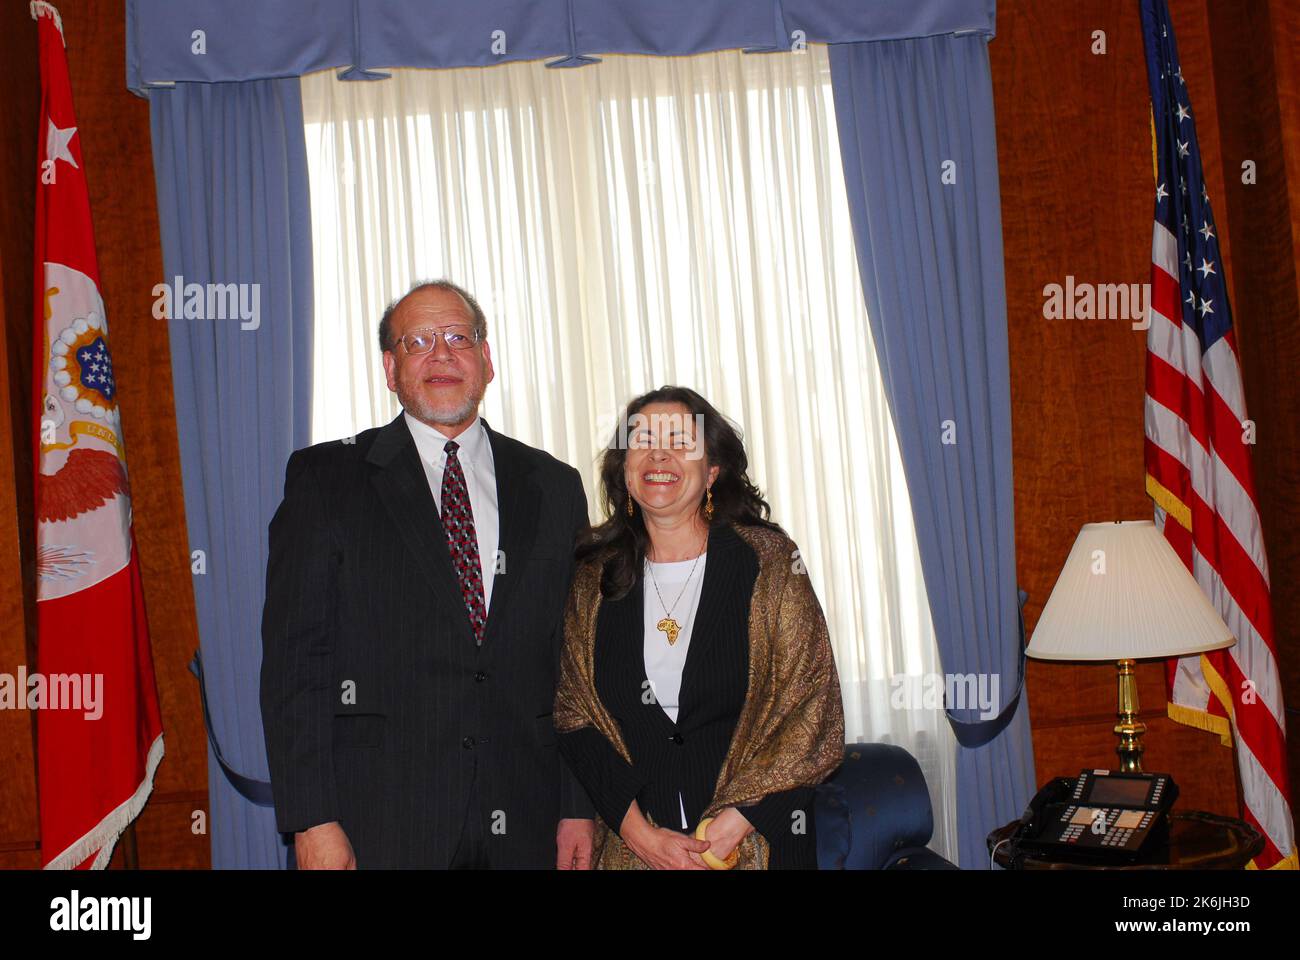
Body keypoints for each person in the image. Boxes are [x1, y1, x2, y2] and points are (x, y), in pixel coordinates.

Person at [260, 280, 596, 869]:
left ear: (486, 360)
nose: (441, 354)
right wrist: (312, 819)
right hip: (380, 820)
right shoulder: (326, 479)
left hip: (530, 813)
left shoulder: (554, 485)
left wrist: (577, 804)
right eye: (417, 342)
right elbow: (296, 664)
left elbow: (573, 660)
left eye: (458, 338)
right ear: (391, 369)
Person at [555, 386, 845, 869]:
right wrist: (642, 836)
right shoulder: (593, 579)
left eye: (679, 440)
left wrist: (728, 828)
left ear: (712, 470)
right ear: (625, 471)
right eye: (642, 439)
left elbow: (812, 707)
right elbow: (573, 716)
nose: (659, 453)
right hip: (636, 852)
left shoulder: (768, 563)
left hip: (758, 842)